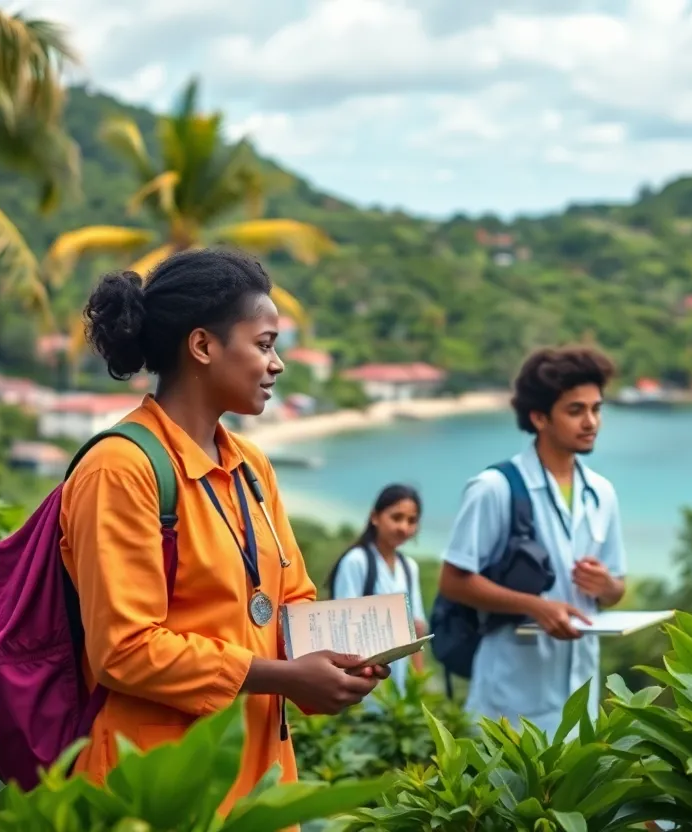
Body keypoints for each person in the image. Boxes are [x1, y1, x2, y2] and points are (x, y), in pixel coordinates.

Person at [60, 248, 388, 813]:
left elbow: (289, 601)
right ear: (204, 346)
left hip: (258, 783)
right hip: (159, 788)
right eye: (264, 344)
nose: (278, 363)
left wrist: (342, 659)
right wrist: (285, 677)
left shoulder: (252, 467)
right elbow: (125, 649)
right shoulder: (121, 469)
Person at [437, 346, 627, 736]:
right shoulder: (494, 488)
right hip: (509, 700)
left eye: (596, 408)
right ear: (540, 417)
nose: (591, 421)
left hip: (580, 698)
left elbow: (615, 590)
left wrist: (607, 586)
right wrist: (534, 606)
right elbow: (453, 581)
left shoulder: (601, 493)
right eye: (576, 410)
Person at [326, 484, 430, 693]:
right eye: (396, 517)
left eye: (411, 520)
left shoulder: (409, 568)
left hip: (397, 689)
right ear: (375, 517)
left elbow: (417, 635)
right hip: (361, 685)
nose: (403, 527)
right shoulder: (357, 561)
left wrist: (417, 688)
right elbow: (343, 628)